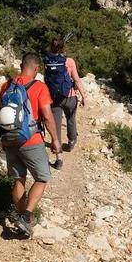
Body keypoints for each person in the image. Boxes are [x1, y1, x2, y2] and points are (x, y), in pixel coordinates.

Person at [0, 53, 61, 237]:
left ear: (20, 65)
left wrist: (3, 139)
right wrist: (55, 139)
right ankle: (25, 217)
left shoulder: (7, 86)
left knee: (19, 180)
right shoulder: (39, 87)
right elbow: (47, 116)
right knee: (42, 178)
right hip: (31, 140)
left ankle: (21, 217)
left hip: (9, 139)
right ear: (36, 69)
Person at [42, 38, 86, 169]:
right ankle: (72, 140)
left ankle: (59, 159)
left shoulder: (47, 61)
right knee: (71, 118)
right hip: (69, 96)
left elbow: (47, 79)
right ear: (63, 48)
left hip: (54, 99)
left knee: (55, 127)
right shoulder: (69, 61)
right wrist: (84, 96)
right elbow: (77, 80)